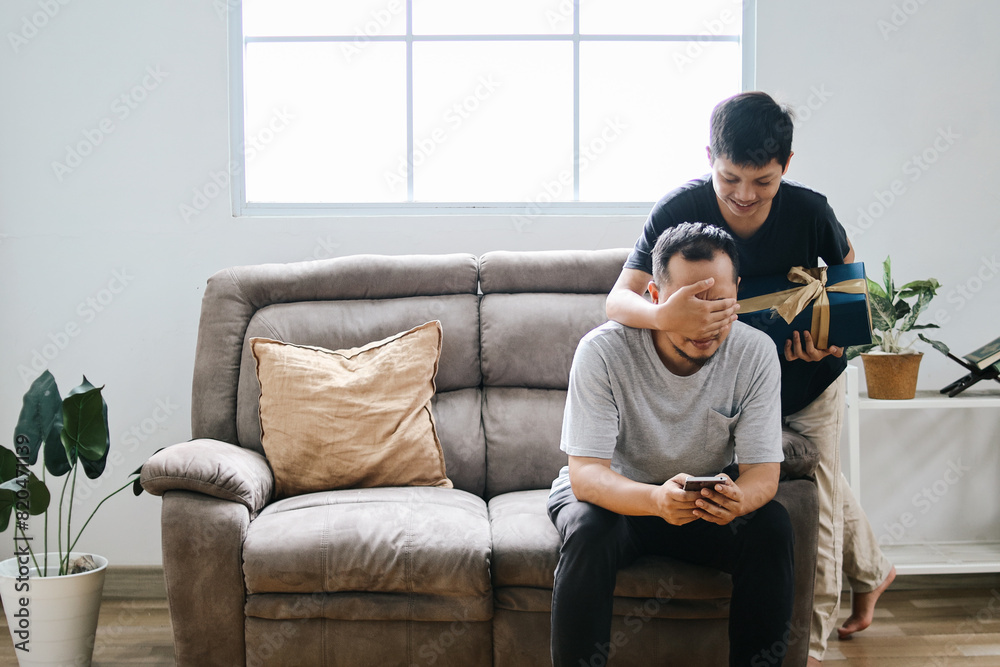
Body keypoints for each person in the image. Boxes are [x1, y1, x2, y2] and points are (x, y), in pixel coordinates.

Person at [605, 91, 895, 665]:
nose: (743, 196)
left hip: (807, 377)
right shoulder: (679, 210)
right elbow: (618, 301)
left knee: (820, 494)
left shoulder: (811, 211)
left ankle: (808, 650)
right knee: (822, 476)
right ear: (709, 156)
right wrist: (663, 314)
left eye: (762, 182)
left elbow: (852, 294)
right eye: (729, 177)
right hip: (728, 384)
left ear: (786, 166)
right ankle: (877, 572)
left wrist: (831, 339)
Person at [548, 222, 795, 667]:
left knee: (771, 526)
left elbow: (763, 472)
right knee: (588, 531)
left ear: (737, 292)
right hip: (618, 500)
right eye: (689, 304)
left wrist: (738, 502)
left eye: (717, 303)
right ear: (656, 298)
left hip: (701, 505)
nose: (704, 322)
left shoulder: (754, 352)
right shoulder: (602, 351)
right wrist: (655, 500)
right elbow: (586, 475)